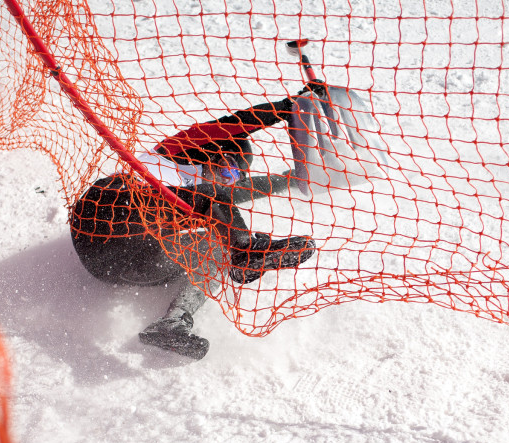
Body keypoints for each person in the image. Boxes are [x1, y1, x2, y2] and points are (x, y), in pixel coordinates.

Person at [69, 83, 327, 360]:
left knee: (216, 251)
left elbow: (245, 190)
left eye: (235, 177)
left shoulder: (197, 198)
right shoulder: (174, 152)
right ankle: (246, 253)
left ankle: (172, 323)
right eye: (229, 169)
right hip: (109, 212)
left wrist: (292, 178)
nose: (230, 180)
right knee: (215, 201)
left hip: (119, 266)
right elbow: (235, 124)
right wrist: (288, 107)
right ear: (212, 152)